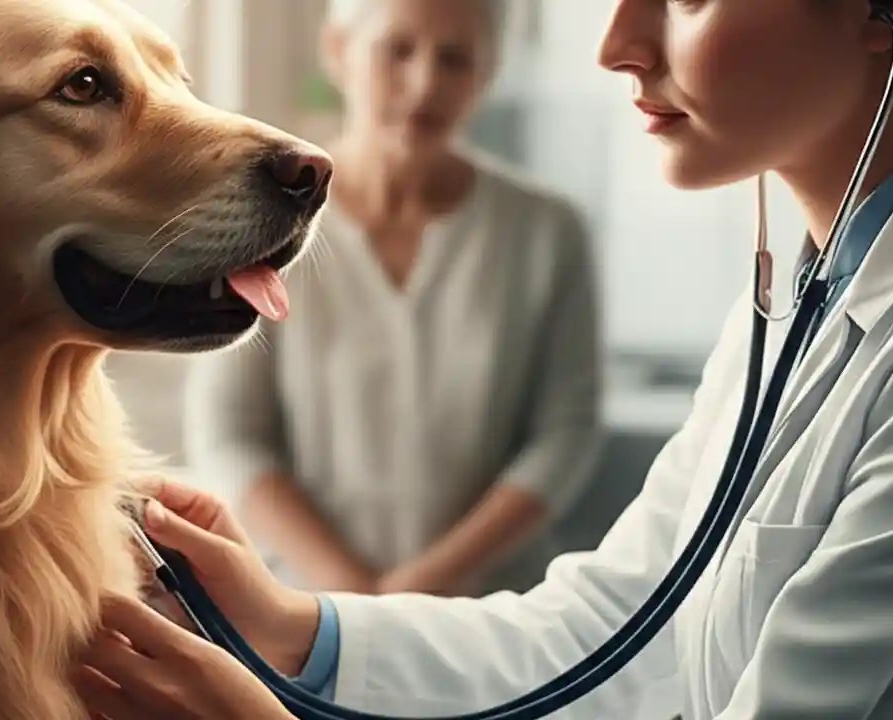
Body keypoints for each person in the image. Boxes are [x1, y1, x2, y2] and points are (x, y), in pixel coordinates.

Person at [74, 0, 893, 718]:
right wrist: (288, 625)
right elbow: (611, 630)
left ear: (889, 9)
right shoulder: (793, 303)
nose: (617, 45)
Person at [183, 0, 599, 597]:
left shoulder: (548, 232)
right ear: (339, 51)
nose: (426, 82)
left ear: (487, 73)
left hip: (499, 615)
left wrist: (424, 585)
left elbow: (565, 434)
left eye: (455, 59)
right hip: (307, 606)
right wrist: (351, 591)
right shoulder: (264, 225)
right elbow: (230, 436)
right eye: (398, 49)